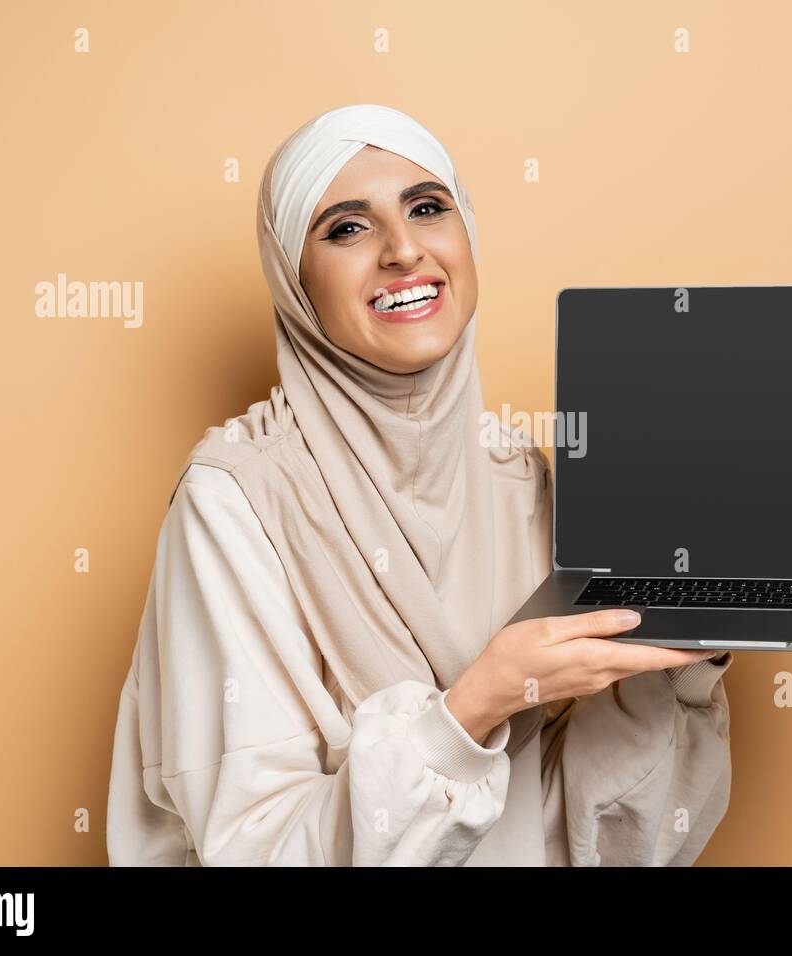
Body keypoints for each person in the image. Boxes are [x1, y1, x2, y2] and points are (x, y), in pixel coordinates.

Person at [105, 103, 734, 866]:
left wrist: (679, 659)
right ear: (295, 280)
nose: (404, 250)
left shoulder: (529, 481)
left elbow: (592, 836)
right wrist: (481, 699)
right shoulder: (235, 498)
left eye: (428, 208)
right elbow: (255, 847)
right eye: (346, 227)